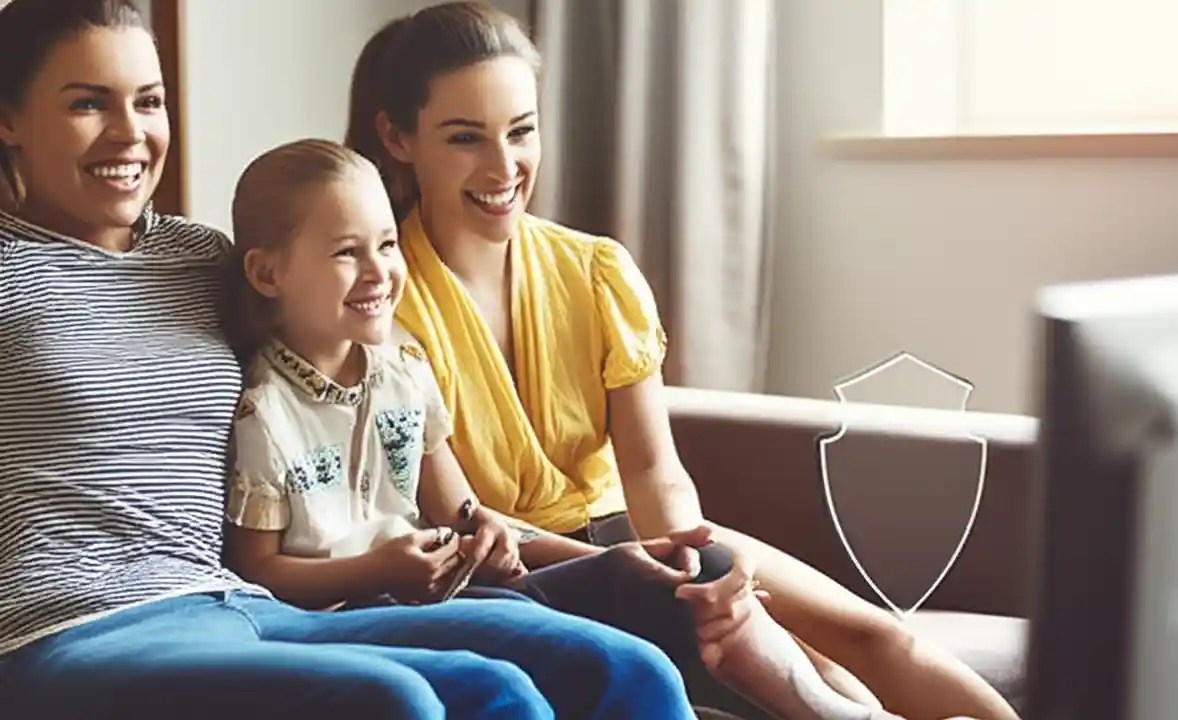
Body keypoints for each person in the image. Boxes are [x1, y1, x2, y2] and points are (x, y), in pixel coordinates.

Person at [0, 2, 700, 718]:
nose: (130, 132)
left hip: (239, 603)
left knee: (610, 665)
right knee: (395, 700)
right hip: (65, 625)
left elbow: (344, 402)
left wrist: (493, 529)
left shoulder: (207, 260)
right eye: (87, 104)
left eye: (148, 102)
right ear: (10, 118)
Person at [344, 3, 1021, 720]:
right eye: (465, 139)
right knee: (789, 673)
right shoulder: (381, 308)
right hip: (525, 569)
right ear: (398, 137)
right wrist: (634, 571)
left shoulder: (596, 270)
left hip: (634, 531)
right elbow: (455, 517)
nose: (503, 166)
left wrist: (688, 553)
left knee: (867, 637)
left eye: (522, 131)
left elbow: (650, 467)